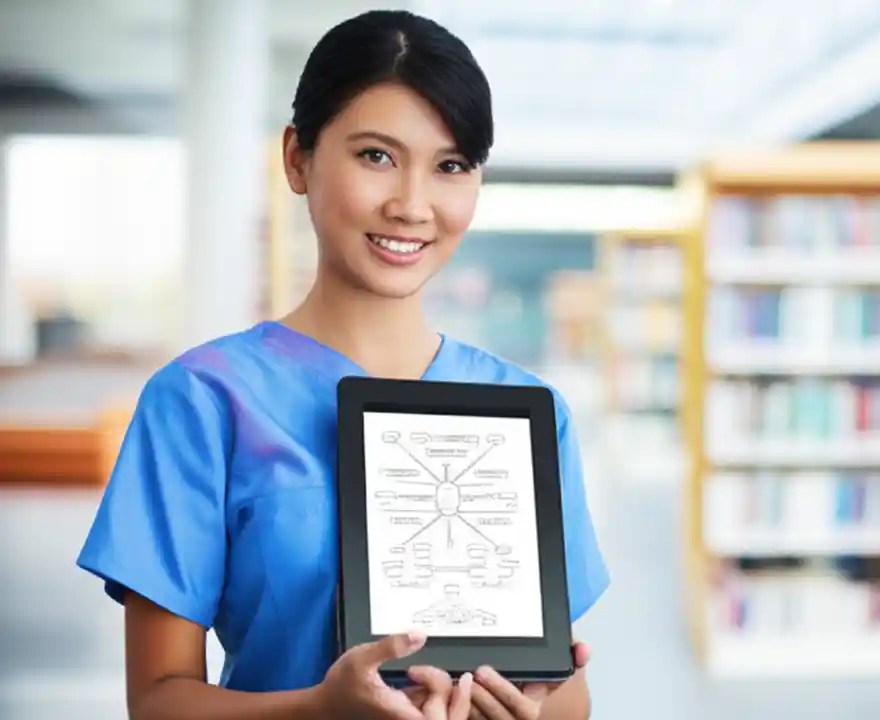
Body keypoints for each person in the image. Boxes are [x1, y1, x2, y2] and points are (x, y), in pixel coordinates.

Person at [75, 10, 609, 720]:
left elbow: (567, 699)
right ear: (298, 157)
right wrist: (321, 709)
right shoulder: (203, 401)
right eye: (376, 156)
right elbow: (157, 701)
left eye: (451, 166)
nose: (412, 205)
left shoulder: (526, 410)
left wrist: (533, 705)